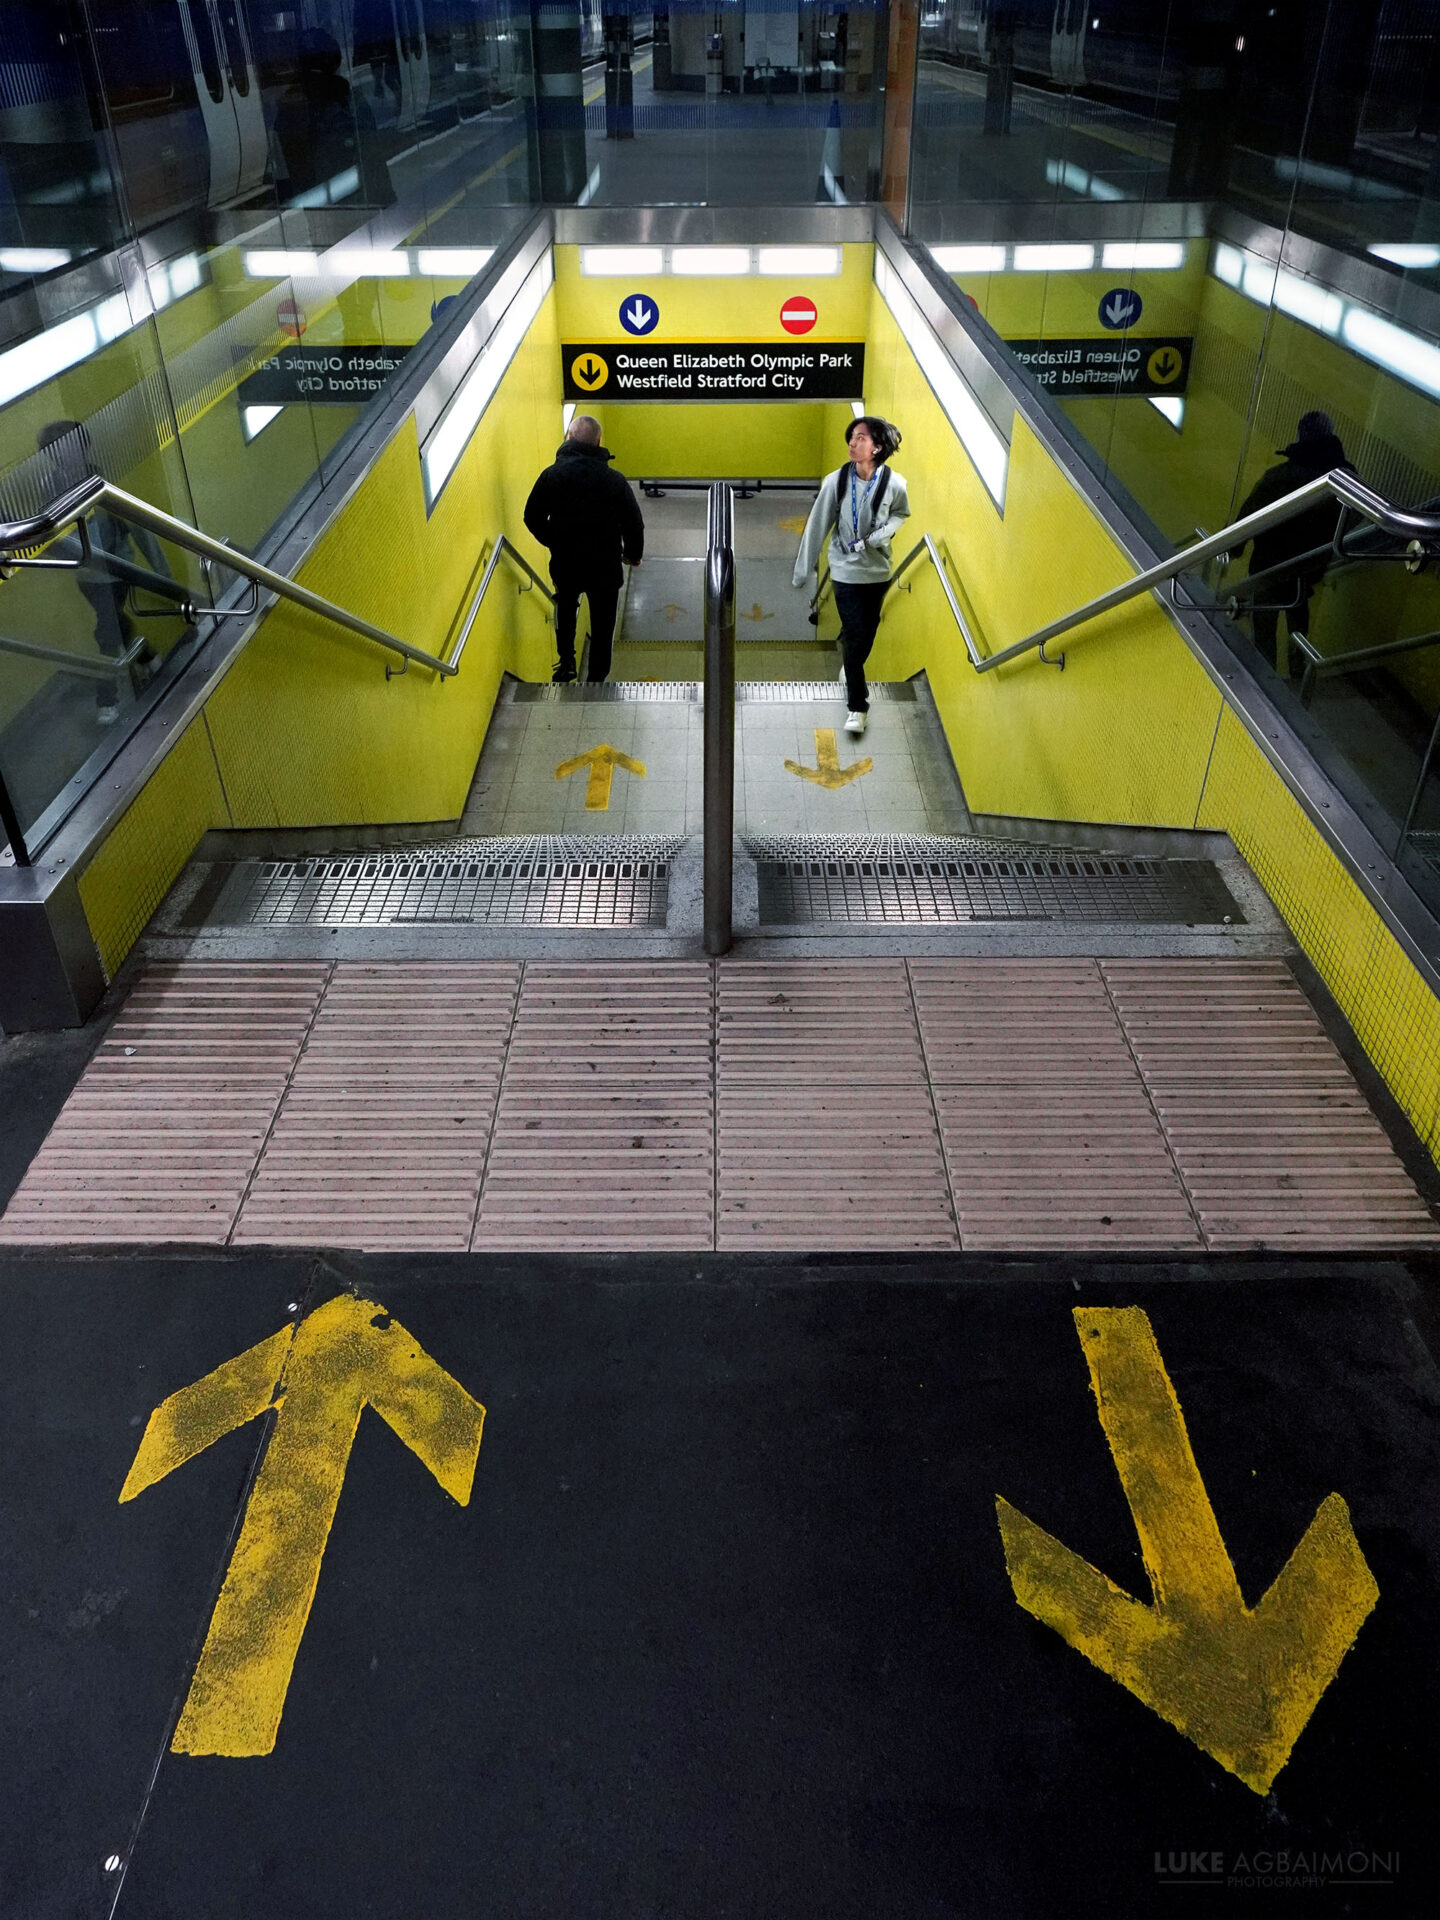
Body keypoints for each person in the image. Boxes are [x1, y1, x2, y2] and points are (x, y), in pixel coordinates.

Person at [37, 420, 164, 725]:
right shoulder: (49, 485)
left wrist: (161, 569)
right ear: (52, 455)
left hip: (115, 566)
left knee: (106, 631)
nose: (71, 455)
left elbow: (133, 519)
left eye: (75, 446)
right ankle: (147, 656)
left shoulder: (101, 477)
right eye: (62, 450)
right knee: (115, 622)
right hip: (86, 573)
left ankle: (106, 699)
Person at [792, 416, 910, 736]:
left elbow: (900, 514)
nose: (852, 443)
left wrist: (883, 535)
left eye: (860, 438)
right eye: (852, 437)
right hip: (844, 572)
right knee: (857, 633)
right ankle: (857, 707)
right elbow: (817, 525)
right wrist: (803, 572)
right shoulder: (836, 481)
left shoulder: (895, 484)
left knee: (865, 633)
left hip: (878, 571)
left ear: (877, 447)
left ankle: (850, 662)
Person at [523, 415, 645, 684]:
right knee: (603, 624)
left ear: (568, 438)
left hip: (567, 563)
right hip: (605, 566)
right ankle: (597, 679)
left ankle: (566, 660)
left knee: (566, 605)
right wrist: (632, 555)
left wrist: (554, 540)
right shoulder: (615, 480)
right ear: (599, 442)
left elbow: (531, 517)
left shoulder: (551, 476)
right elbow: (634, 523)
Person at [1235, 410, 1356, 672]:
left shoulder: (1279, 476)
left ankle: (1265, 682)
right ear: (1330, 434)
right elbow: (1354, 516)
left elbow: (1249, 513)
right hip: (1308, 569)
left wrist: (1234, 547)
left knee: (1264, 630)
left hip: (1268, 567)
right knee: (1298, 620)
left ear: (1300, 434)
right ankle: (1298, 675)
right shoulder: (1345, 481)